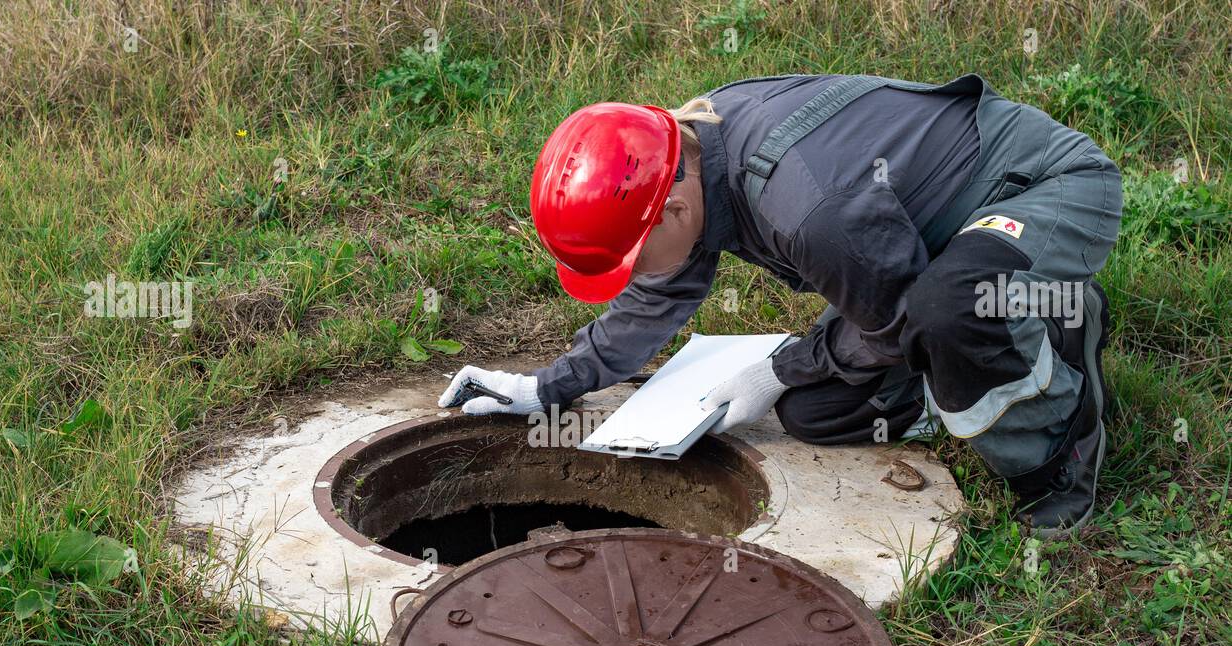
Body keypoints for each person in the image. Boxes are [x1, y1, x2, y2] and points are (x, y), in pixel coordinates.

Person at [439, 73, 1122, 538]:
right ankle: (978, 337)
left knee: (948, 312)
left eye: (631, 257)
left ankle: (1055, 448)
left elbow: (899, 321)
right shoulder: (686, 151)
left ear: (674, 208)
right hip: (909, 239)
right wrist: (544, 388)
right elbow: (659, 296)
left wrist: (776, 366)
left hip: (1036, 188)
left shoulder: (808, 208)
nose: (632, 278)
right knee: (815, 412)